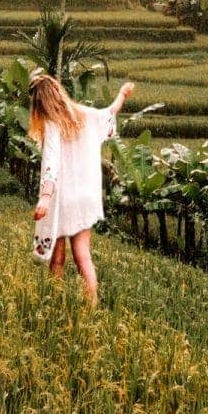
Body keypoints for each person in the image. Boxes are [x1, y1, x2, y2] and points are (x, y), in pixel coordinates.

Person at [28, 70, 134, 305]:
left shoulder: (52, 125)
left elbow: (51, 165)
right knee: (83, 256)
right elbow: (110, 112)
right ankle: (91, 306)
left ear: (39, 104)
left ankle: (54, 303)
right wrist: (122, 94)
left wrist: (45, 197)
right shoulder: (83, 115)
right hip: (85, 198)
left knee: (57, 257)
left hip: (63, 199)